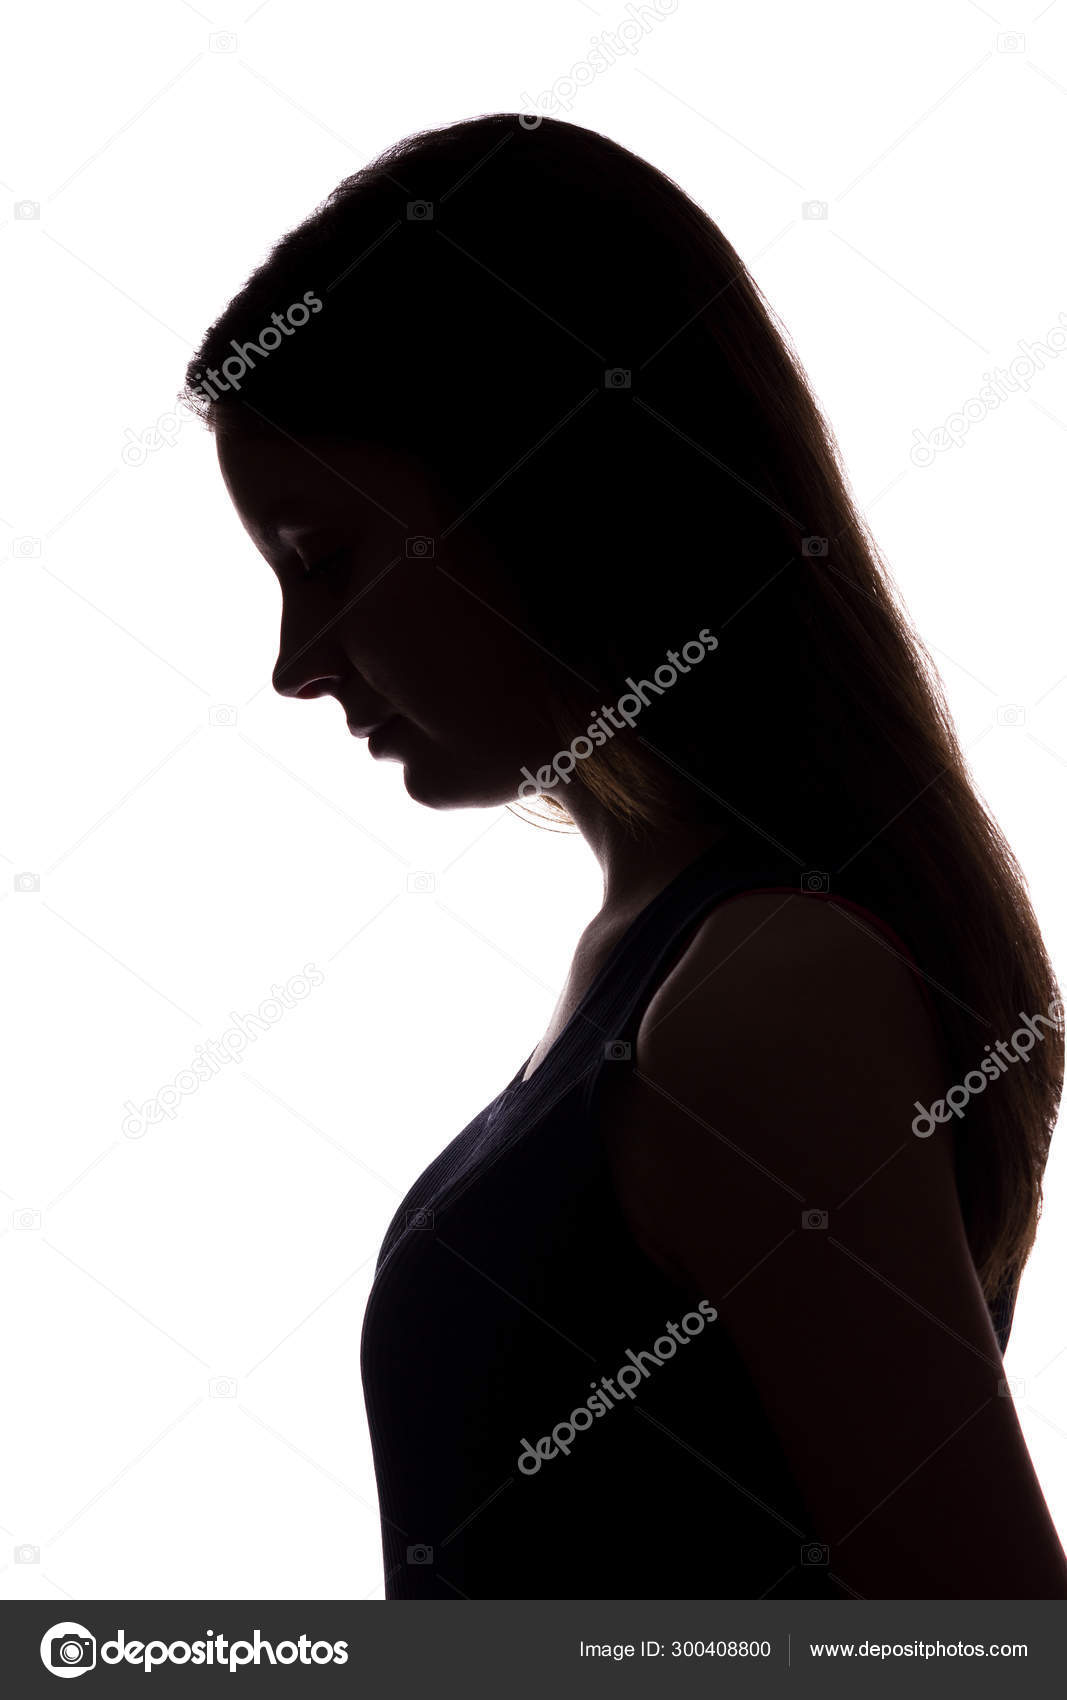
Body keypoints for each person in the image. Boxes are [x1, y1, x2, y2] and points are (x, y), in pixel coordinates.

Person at [183, 113, 1067, 1600]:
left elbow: (991, 1643)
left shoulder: (761, 992)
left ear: (547, 489)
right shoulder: (671, 969)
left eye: (324, 558)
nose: (297, 661)